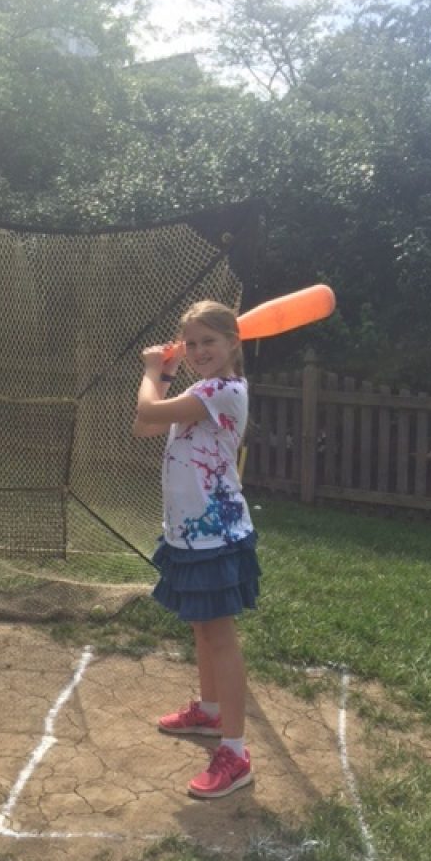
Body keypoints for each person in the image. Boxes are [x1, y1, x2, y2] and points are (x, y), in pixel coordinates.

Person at [133, 299, 261, 798]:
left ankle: (236, 750)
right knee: (201, 628)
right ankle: (209, 714)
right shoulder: (196, 389)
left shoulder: (224, 390)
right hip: (189, 531)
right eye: (192, 343)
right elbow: (145, 426)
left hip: (218, 535)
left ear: (233, 344)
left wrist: (150, 369)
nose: (201, 350)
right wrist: (165, 376)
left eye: (210, 341)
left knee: (220, 635)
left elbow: (144, 409)